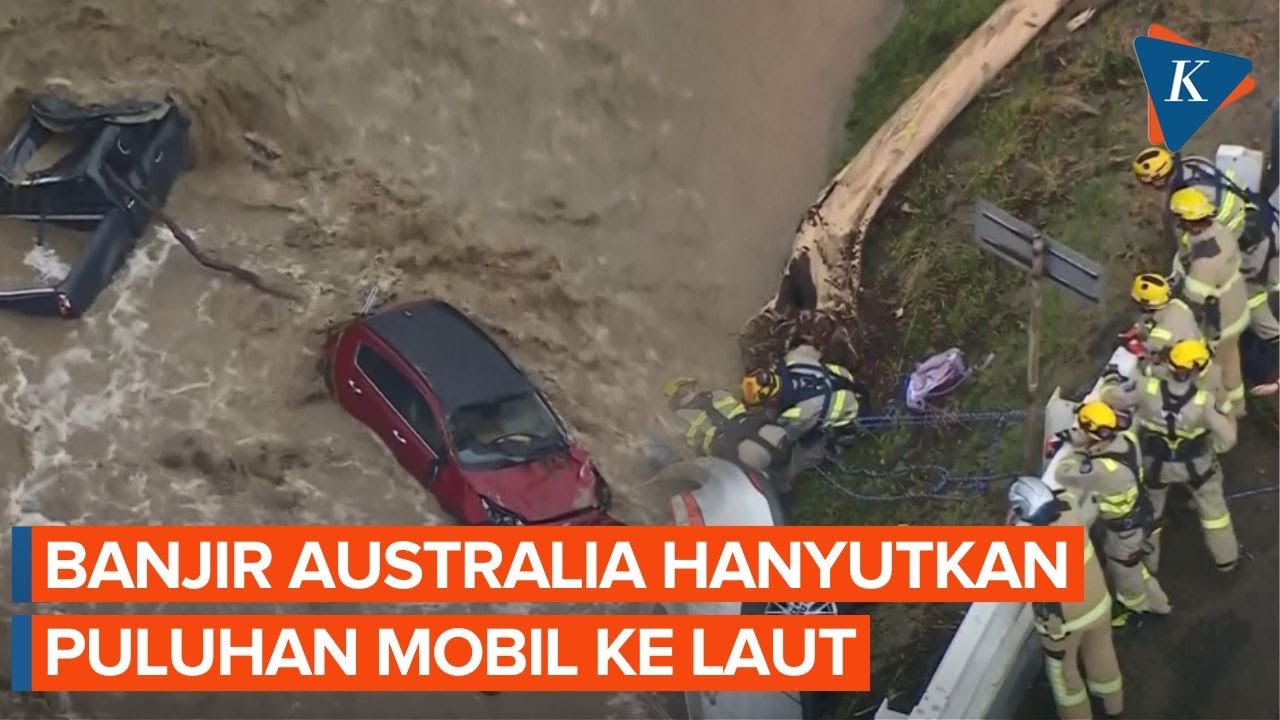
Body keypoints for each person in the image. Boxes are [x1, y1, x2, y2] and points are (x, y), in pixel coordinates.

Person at [1099, 339, 1239, 573]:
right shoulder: (1204, 402)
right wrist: (1212, 448)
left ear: (1171, 366)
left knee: (1151, 512)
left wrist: (1110, 381)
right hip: (1196, 465)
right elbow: (1228, 438)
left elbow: (1115, 398)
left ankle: (1150, 565)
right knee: (1215, 512)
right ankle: (1226, 560)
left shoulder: (1146, 389)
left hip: (1156, 465)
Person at [1009, 475, 1122, 720]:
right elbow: (1064, 493)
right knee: (1101, 651)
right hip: (1099, 606)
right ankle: (1114, 705)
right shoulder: (1071, 512)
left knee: (1065, 677)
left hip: (1063, 626)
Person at [1054, 401, 1171, 625]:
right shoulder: (1127, 440)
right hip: (1140, 516)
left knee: (1125, 574)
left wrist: (1077, 448)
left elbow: (1063, 473)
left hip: (1123, 533)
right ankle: (1160, 603)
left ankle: (1135, 611)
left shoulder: (1104, 470)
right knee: (1135, 566)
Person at [1169, 187, 1249, 418]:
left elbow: (1193, 303)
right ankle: (1238, 405)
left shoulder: (1204, 263)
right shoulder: (1221, 232)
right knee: (1232, 359)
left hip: (1220, 323)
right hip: (1237, 306)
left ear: (1187, 221)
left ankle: (1227, 412)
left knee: (1219, 368)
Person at [663, 377, 792, 475]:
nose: (692, 391)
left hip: (735, 453)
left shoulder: (680, 418)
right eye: (687, 390)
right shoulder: (719, 393)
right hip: (763, 437)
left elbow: (688, 455)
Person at [741, 343, 866, 442]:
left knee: (795, 463)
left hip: (851, 411)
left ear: (771, 400)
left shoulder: (795, 415)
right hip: (844, 376)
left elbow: (788, 438)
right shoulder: (792, 359)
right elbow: (813, 350)